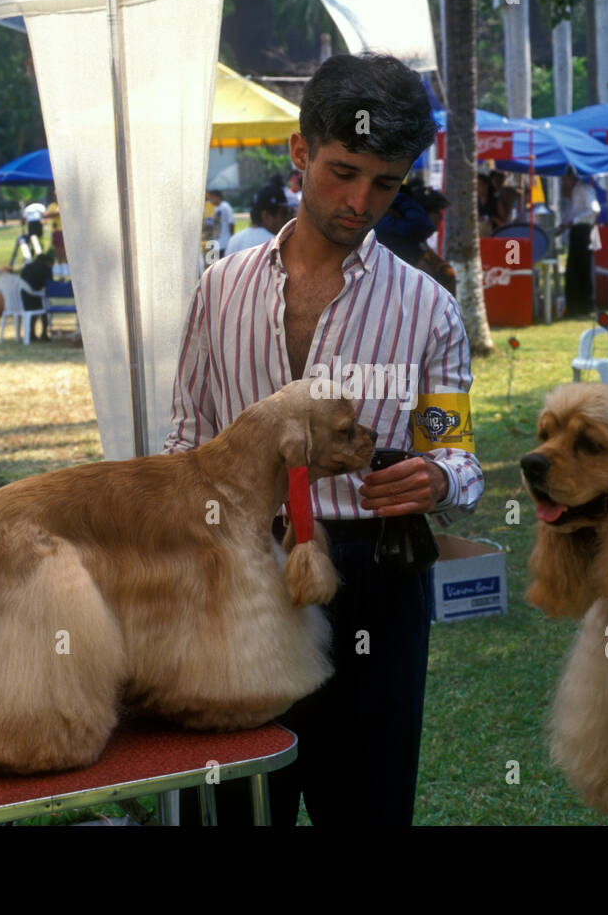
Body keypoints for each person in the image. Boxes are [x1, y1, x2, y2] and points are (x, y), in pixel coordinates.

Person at [164, 52, 484, 826]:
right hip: (242, 570)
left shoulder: (428, 308)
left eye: (385, 183)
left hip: (376, 579)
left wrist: (437, 481)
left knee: (368, 810)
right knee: (240, 807)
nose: (360, 200)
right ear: (299, 151)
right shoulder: (220, 288)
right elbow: (186, 438)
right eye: (343, 172)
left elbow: (456, 452)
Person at [374, 181, 456, 295]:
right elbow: (424, 225)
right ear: (422, 212)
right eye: (436, 211)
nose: (441, 217)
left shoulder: (415, 239)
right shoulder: (397, 231)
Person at [556, 167, 599, 317]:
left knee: (582, 269)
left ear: (571, 177)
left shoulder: (583, 189)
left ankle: (585, 306)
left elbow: (594, 210)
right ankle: (574, 306)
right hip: (576, 231)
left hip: (583, 231)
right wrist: (561, 227)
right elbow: (572, 212)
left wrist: (574, 221)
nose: (563, 183)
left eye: (565, 179)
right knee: (572, 270)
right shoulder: (574, 192)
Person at [225, 185, 294, 257]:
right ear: (266, 216)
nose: (288, 218)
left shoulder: (233, 241)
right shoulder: (276, 245)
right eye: (284, 213)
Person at [19, 251, 55, 342]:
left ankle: (31, 333)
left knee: (33, 312)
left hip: (23, 298)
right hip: (34, 297)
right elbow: (49, 284)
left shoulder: (27, 267)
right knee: (45, 307)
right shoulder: (45, 269)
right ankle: (44, 333)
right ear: (48, 262)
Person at [204, 189, 234, 255]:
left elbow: (231, 222)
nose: (210, 200)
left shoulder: (226, 206)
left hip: (225, 242)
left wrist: (232, 238)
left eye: (211, 198)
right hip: (217, 243)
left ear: (217, 197)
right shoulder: (216, 208)